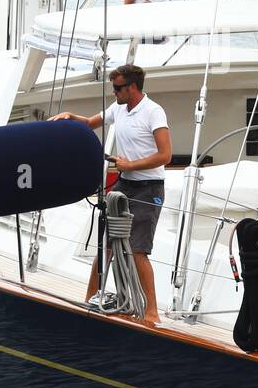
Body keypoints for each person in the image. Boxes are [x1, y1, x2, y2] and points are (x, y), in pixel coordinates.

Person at [50, 64, 170, 324]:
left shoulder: (153, 112)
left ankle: (152, 311)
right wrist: (71, 117)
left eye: (117, 88)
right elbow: (91, 123)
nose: (113, 92)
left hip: (149, 188)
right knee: (105, 246)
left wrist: (130, 165)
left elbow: (165, 155)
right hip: (124, 186)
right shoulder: (119, 109)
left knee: (138, 250)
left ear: (132, 88)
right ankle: (90, 296)